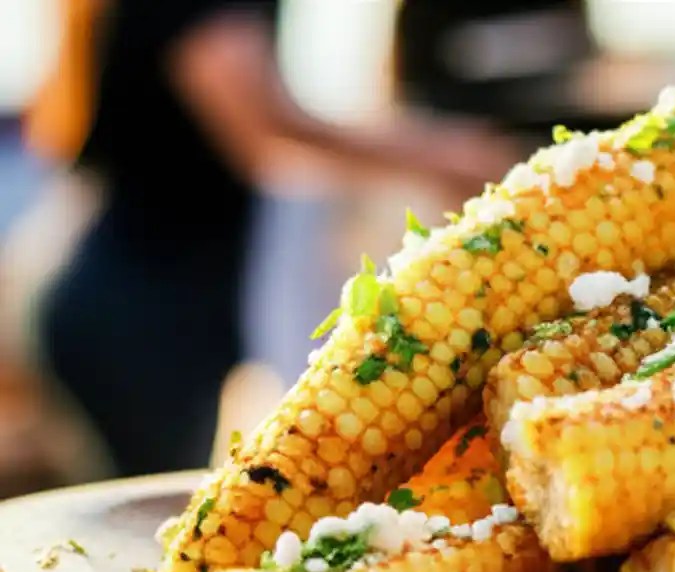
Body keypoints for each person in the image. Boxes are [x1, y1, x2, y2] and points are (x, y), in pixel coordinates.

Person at [37, 0, 517, 477]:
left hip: (148, 307)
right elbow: (263, 128)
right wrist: (443, 154)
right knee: (146, 524)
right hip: (135, 316)